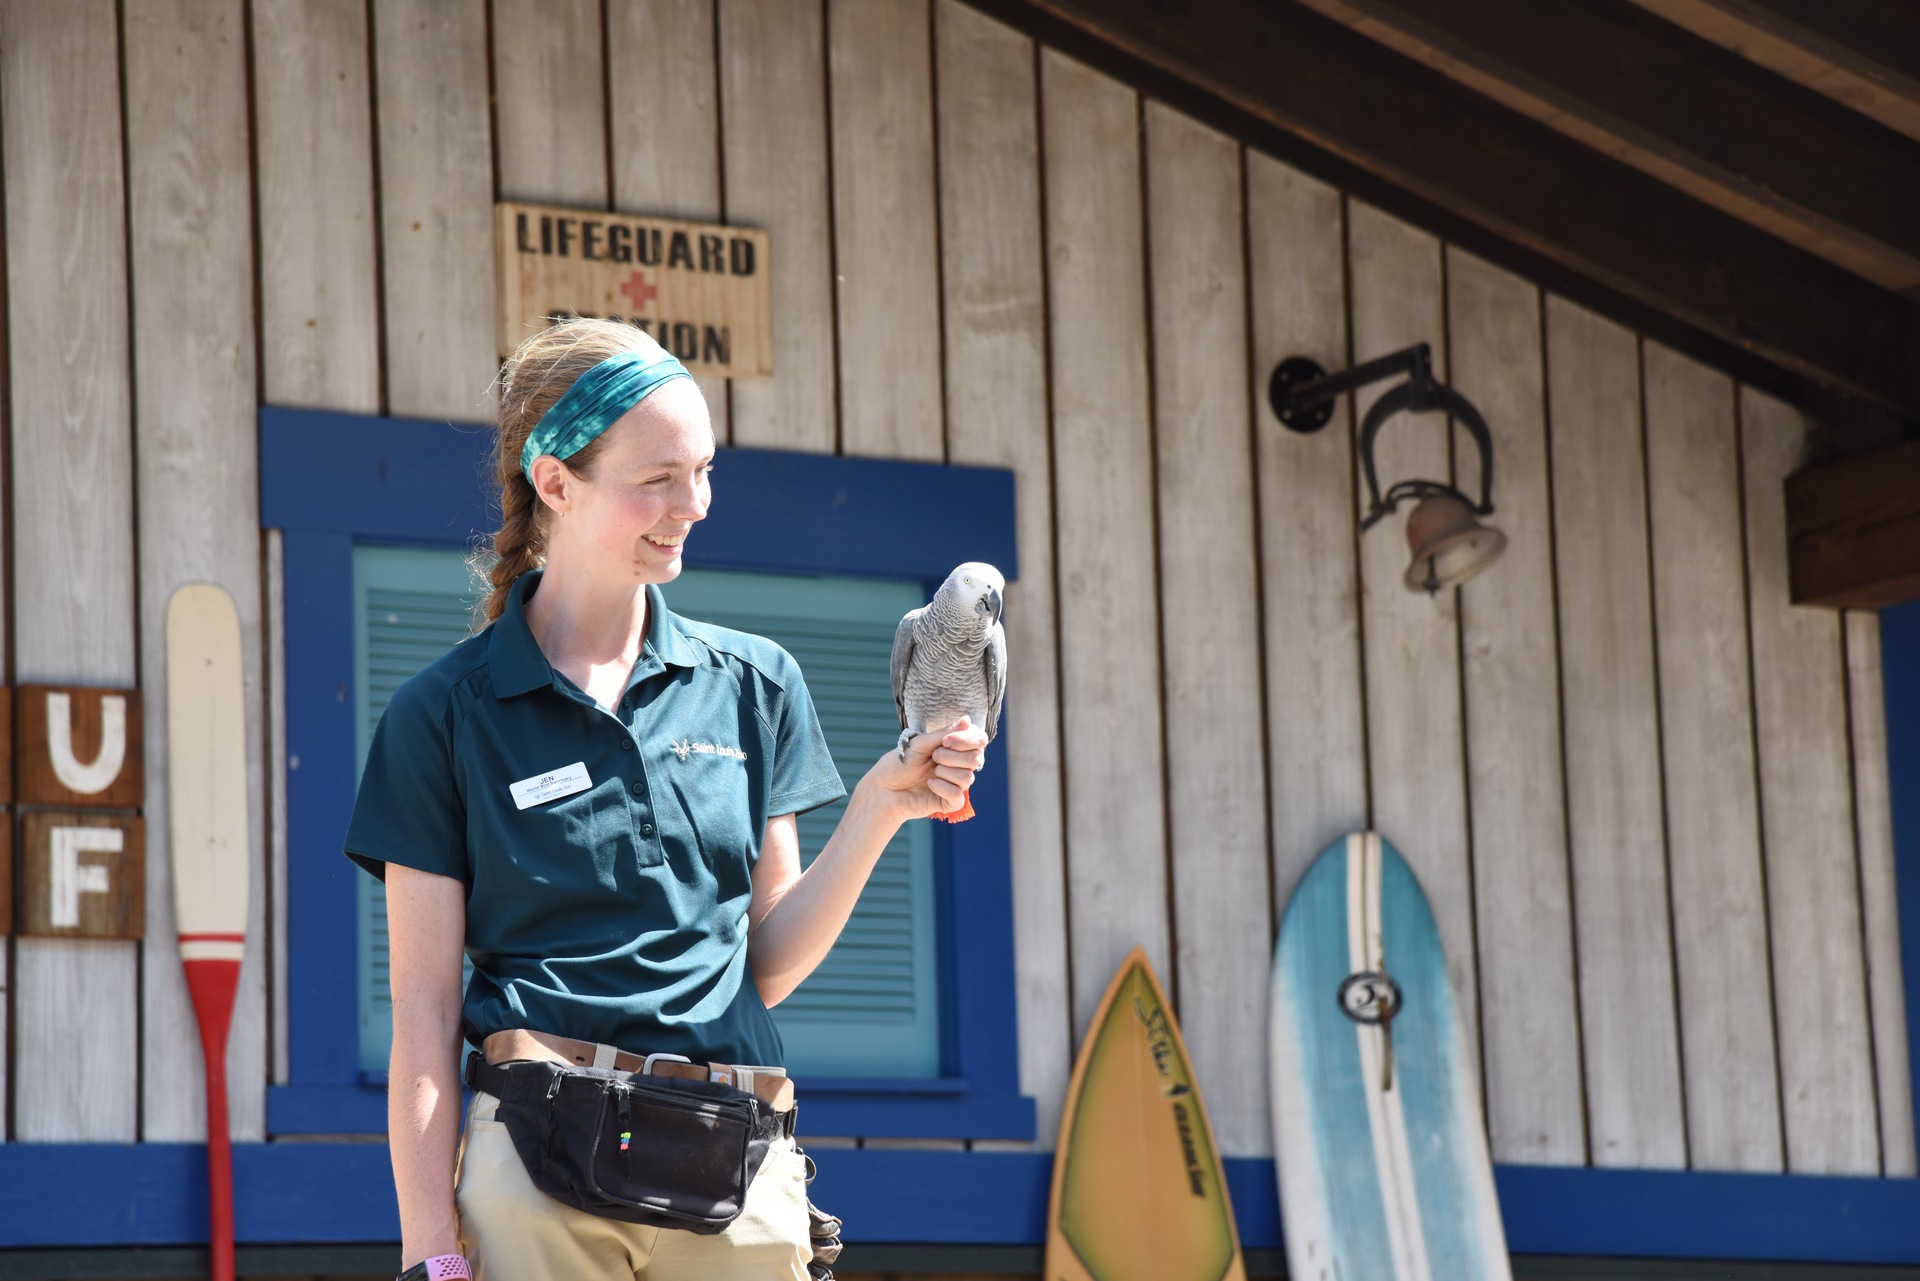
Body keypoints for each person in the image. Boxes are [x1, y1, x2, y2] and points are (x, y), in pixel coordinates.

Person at [343, 318, 989, 1281]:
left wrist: (879, 808)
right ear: (555, 483)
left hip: (736, 1169)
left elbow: (763, 966)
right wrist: (430, 1248)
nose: (694, 504)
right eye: (657, 478)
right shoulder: (439, 715)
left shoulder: (756, 683)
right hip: (535, 1170)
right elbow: (425, 1017)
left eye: (704, 469)